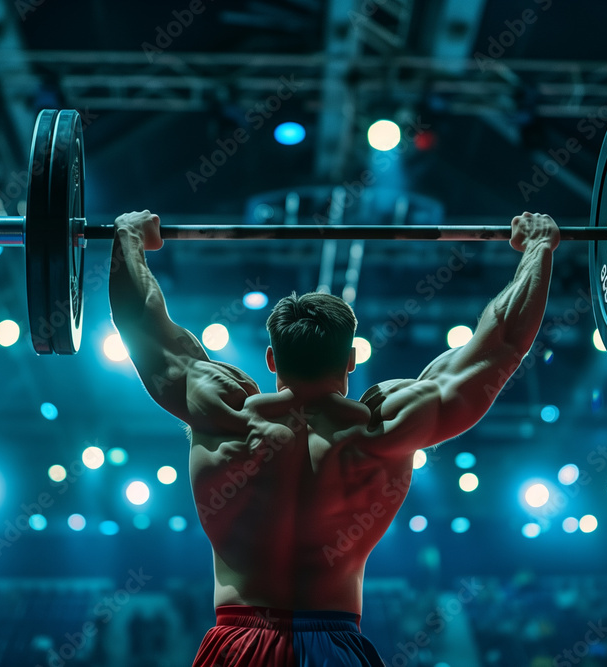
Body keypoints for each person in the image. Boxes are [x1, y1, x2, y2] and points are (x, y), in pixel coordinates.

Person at [109, 210, 559, 666]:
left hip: (239, 645)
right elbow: (502, 344)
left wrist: (128, 239)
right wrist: (538, 248)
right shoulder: (383, 430)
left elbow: (139, 325)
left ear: (270, 357)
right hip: (336, 646)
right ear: (350, 359)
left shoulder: (224, 414)